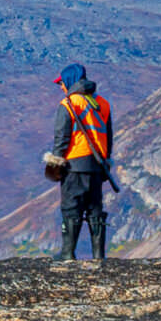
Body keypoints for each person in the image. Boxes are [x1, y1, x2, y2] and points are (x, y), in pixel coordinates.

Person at [45, 63, 113, 261]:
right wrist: (105, 163)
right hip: (97, 165)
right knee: (94, 209)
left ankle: (68, 253)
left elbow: (62, 138)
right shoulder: (102, 103)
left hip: (74, 164)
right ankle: (99, 256)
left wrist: (55, 165)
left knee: (71, 208)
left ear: (70, 81)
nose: (61, 87)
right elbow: (108, 137)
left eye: (61, 83)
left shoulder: (68, 104)